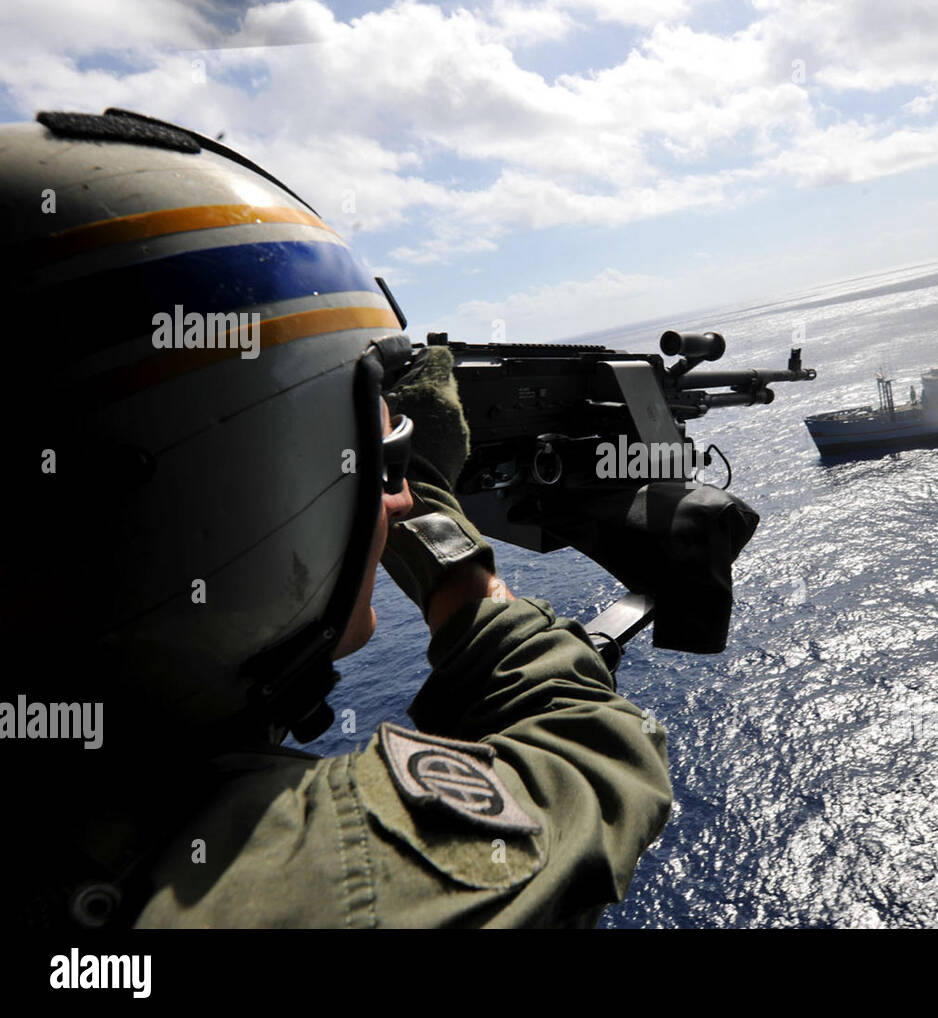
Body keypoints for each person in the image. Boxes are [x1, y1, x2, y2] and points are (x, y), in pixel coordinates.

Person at [0, 109, 672, 928]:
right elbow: (591, 757)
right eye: (378, 459)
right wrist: (442, 536)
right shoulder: (282, 882)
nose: (384, 493)